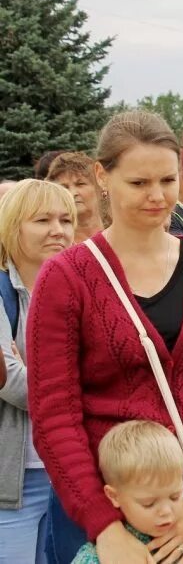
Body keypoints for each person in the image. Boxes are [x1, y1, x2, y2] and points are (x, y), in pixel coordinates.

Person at [28, 111, 183, 564]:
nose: (156, 196)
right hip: (97, 510)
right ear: (101, 176)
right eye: (138, 183)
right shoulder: (66, 276)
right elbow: (54, 412)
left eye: (167, 180)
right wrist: (104, 527)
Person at [0, 180, 76, 562]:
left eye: (66, 219)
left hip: (72, 475)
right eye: (42, 219)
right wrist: (73, 381)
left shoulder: (80, 290)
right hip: (12, 484)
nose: (58, 230)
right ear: (13, 225)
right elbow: (11, 383)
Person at [71, 421, 183, 564]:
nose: (166, 511)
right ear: (113, 496)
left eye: (175, 497)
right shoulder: (95, 558)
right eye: (148, 504)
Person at [45, 152, 106, 243]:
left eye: (80, 184)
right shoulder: (55, 239)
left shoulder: (121, 229)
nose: (72, 193)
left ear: (100, 186)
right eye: (64, 187)